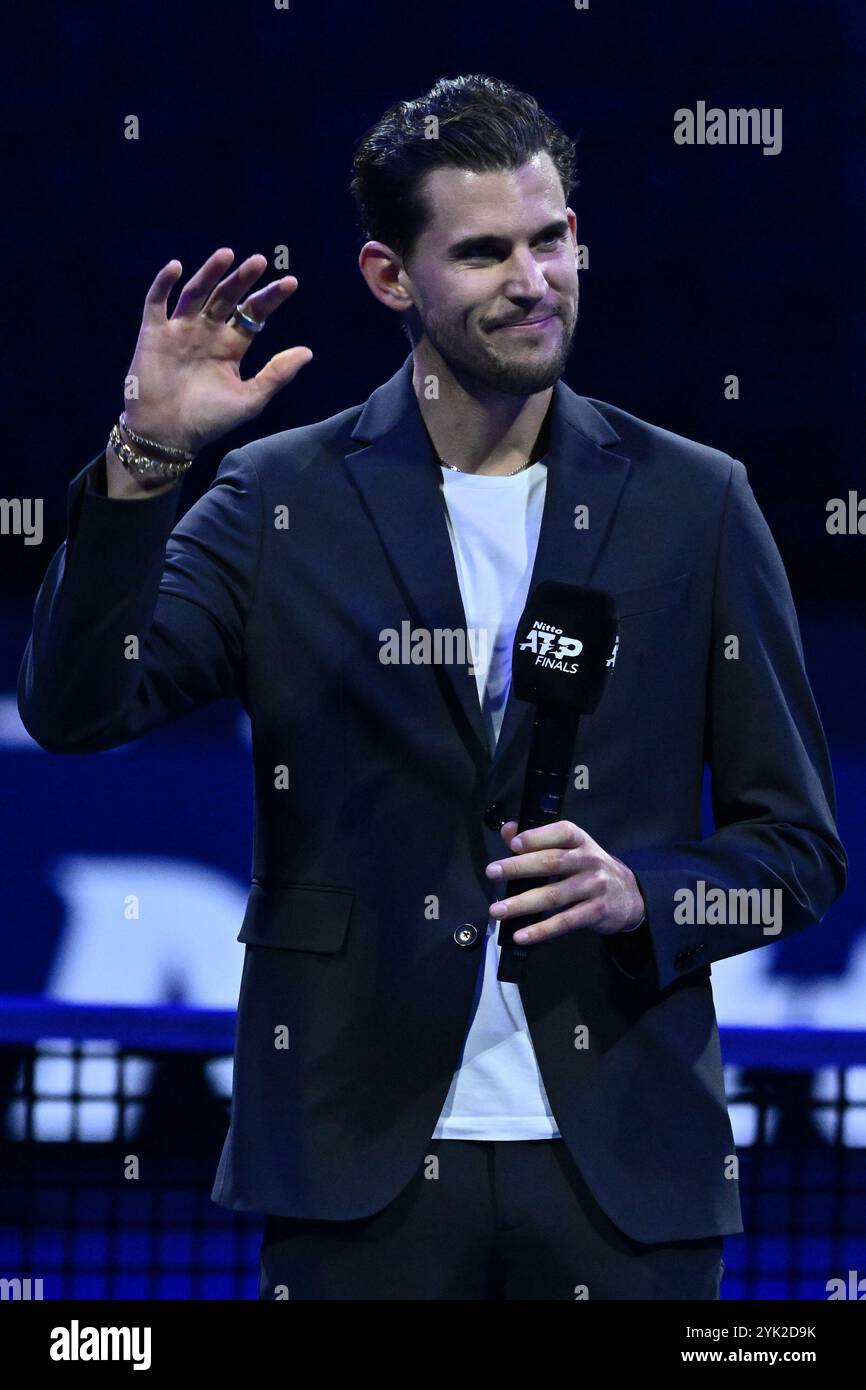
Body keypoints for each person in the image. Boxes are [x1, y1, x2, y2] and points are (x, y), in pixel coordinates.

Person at [18, 75, 846, 1300]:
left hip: (623, 1178)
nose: (533, 278)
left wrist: (641, 894)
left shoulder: (694, 503)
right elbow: (79, 711)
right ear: (389, 276)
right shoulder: (272, 500)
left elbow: (796, 855)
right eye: (483, 251)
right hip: (358, 1179)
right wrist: (147, 461)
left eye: (551, 237)